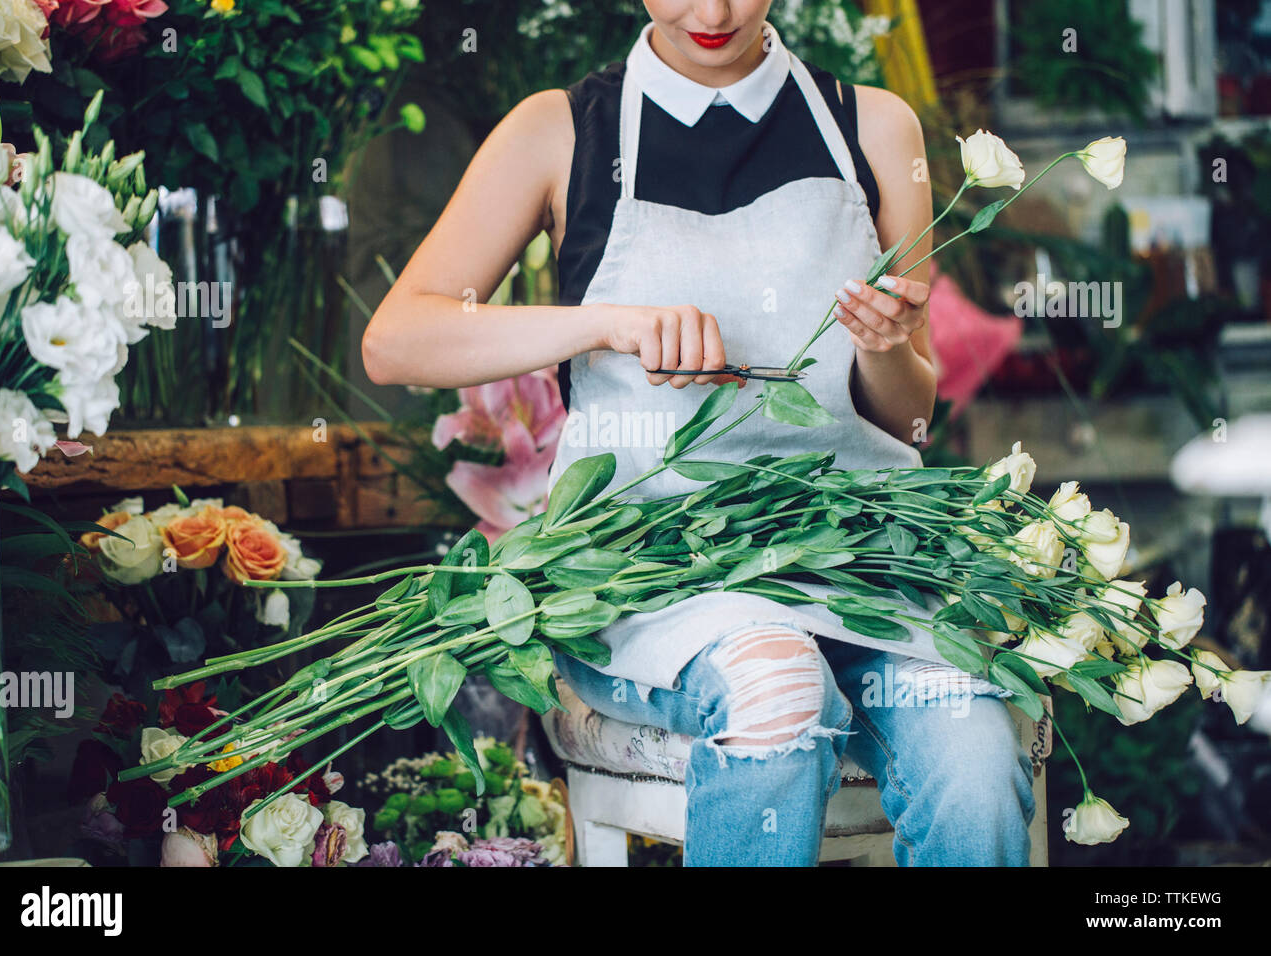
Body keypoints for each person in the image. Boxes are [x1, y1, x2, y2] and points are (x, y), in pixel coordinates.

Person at [362, 1, 1035, 866]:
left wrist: (885, 347)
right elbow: (397, 340)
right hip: (655, 581)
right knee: (775, 684)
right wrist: (603, 325)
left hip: (865, 570)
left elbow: (910, 417)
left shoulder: (873, 127)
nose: (714, 12)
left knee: (974, 762)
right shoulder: (559, 133)